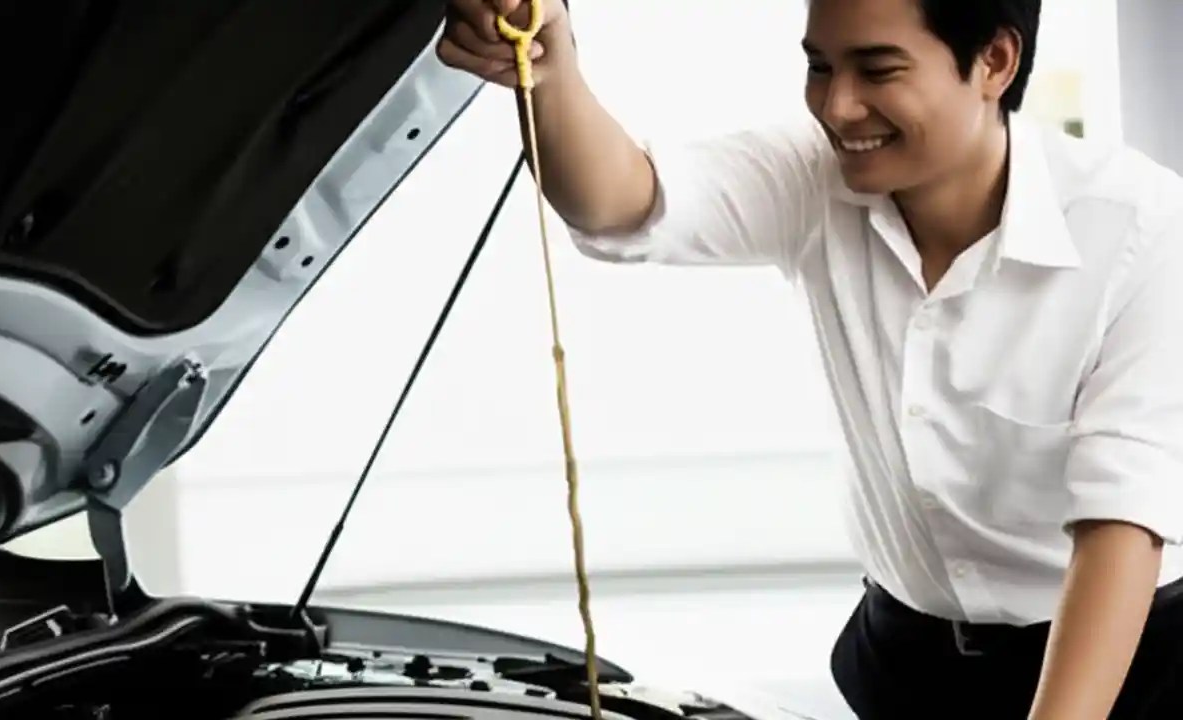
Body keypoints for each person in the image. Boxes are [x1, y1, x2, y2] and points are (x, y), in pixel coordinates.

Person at [439, 0, 1183, 717]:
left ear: (994, 61)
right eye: (820, 66)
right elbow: (620, 204)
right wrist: (552, 68)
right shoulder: (811, 175)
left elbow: (1120, 526)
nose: (837, 106)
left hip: (1124, 661)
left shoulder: (1144, 229)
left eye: (877, 69)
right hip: (907, 664)